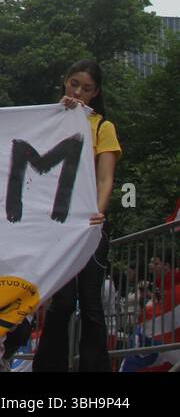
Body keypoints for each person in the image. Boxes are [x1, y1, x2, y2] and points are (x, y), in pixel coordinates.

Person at [33, 60, 120, 372]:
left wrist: (98, 211)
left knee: (91, 302)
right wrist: (58, 111)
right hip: (60, 225)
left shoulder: (102, 127)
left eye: (86, 88)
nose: (79, 92)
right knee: (63, 302)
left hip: (91, 225)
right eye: (74, 84)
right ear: (64, 82)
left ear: (96, 93)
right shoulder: (50, 119)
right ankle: (47, 367)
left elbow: (105, 178)